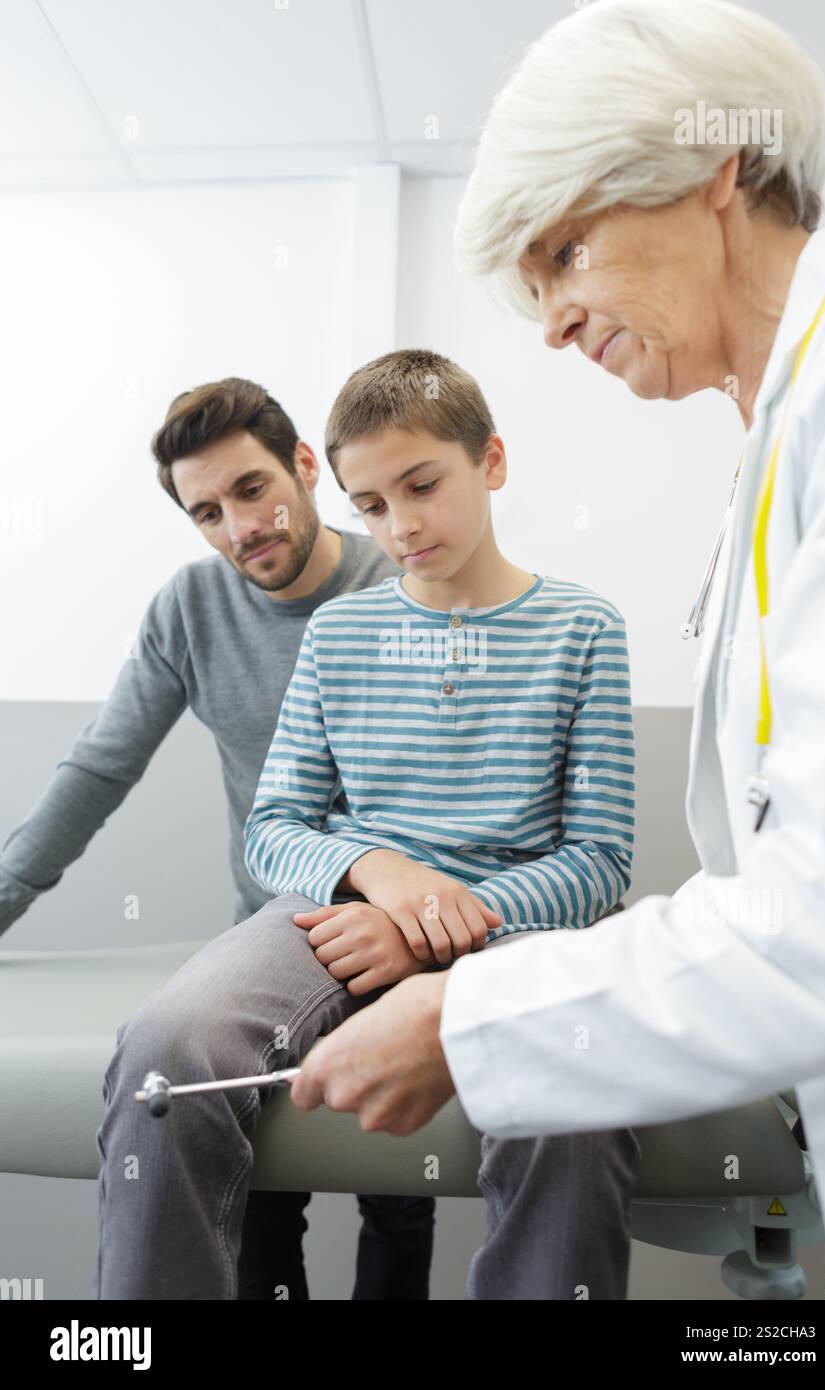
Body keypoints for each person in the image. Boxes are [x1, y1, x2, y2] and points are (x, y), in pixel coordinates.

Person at [285, 0, 825, 1286]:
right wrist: (375, 878)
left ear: (714, 169)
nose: (548, 322)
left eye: (565, 252)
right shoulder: (781, 438)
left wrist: (466, 995)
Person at [97, 347, 641, 1300]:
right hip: (345, 911)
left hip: (521, 928)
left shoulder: (584, 628)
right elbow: (276, 827)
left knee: (577, 1096)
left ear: (493, 461)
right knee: (165, 1048)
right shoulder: (338, 634)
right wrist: (382, 877)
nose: (402, 525)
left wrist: (430, 921)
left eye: (423, 485)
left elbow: (597, 858)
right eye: (374, 505)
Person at [0, 375, 435, 1299]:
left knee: (402, 1201)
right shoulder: (189, 612)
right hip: (274, 940)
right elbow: (96, 771)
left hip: (408, 940)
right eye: (207, 511)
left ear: (306, 468)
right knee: (261, 1202)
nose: (241, 527)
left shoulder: (407, 586)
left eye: (251, 488)